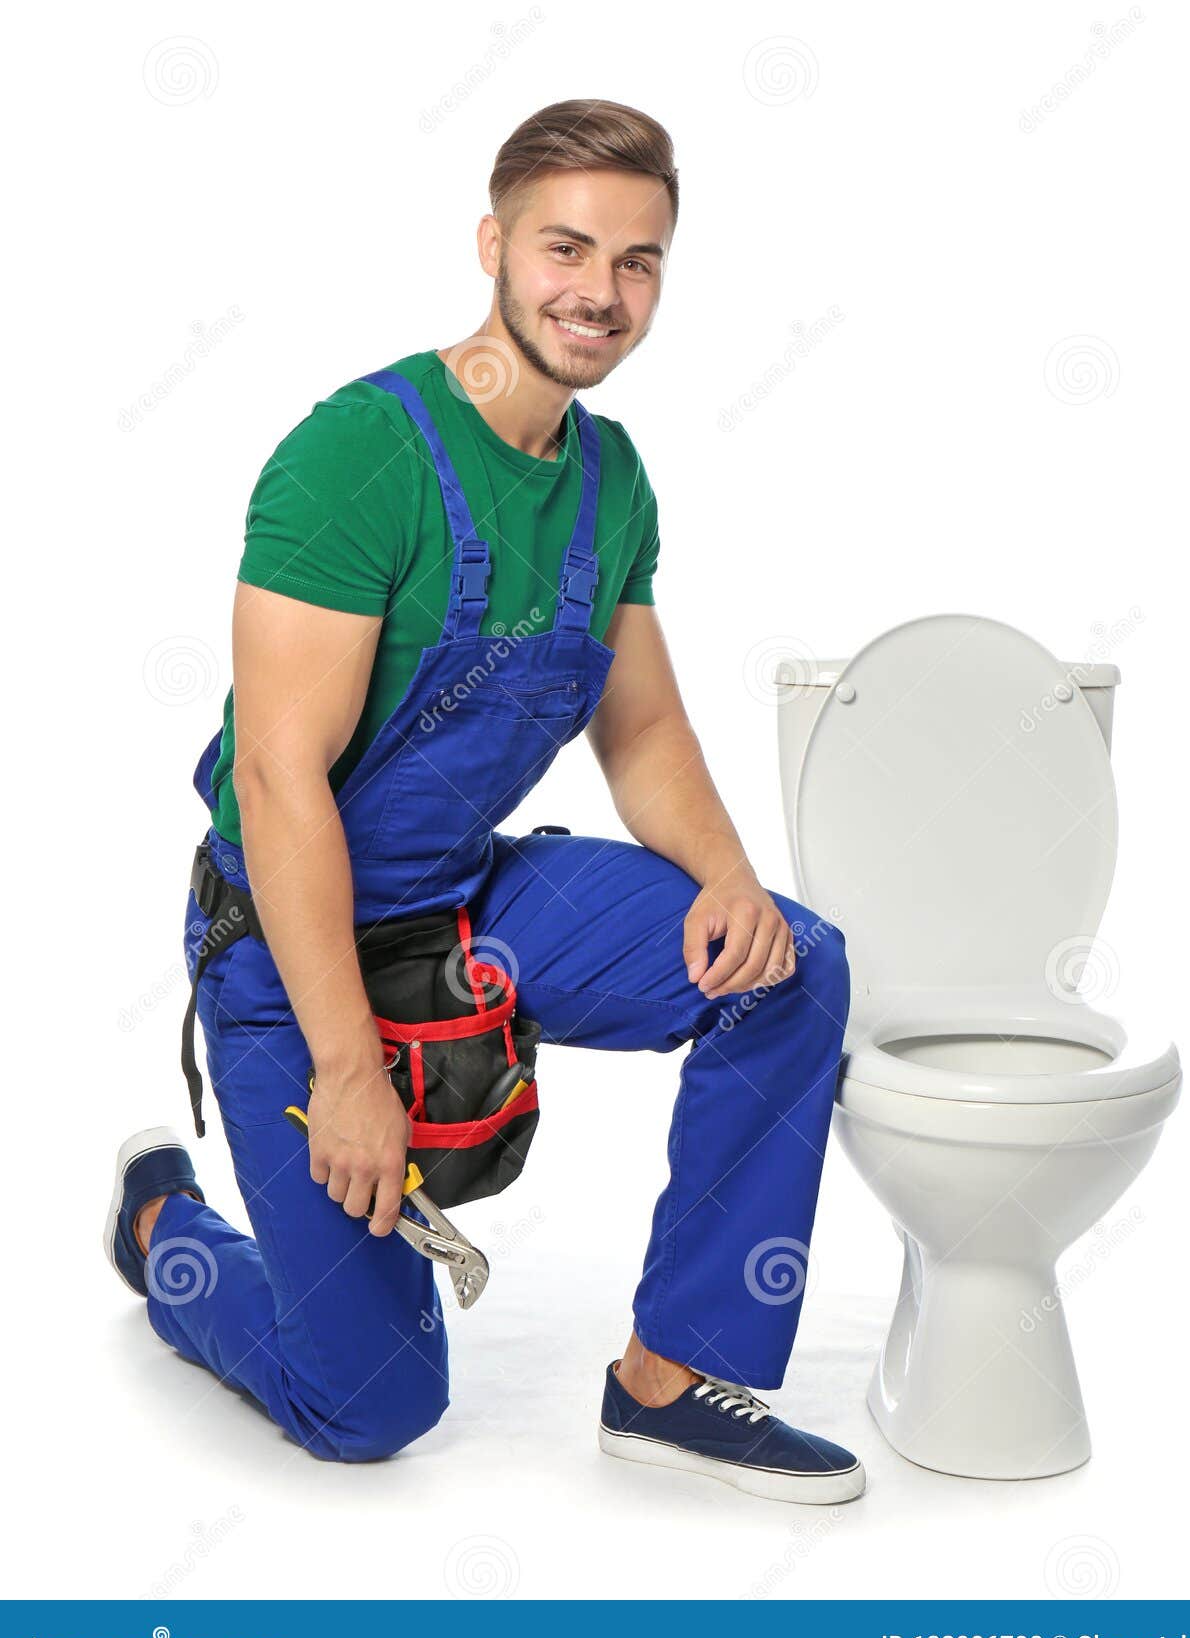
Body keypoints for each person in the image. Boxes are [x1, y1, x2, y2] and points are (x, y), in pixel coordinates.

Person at [104, 99, 863, 1504]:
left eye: (638, 260)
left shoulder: (612, 479)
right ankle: (168, 1232)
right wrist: (348, 1071)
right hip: (291, 942)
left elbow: (645, 729)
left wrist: (731, 879)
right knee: (370, 1405)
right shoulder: (360, 454)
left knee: (788, 964)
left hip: (465, 899)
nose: (601, 291)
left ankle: (671, 1380)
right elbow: (277, 778)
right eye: (567, 248)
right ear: (493, 246)